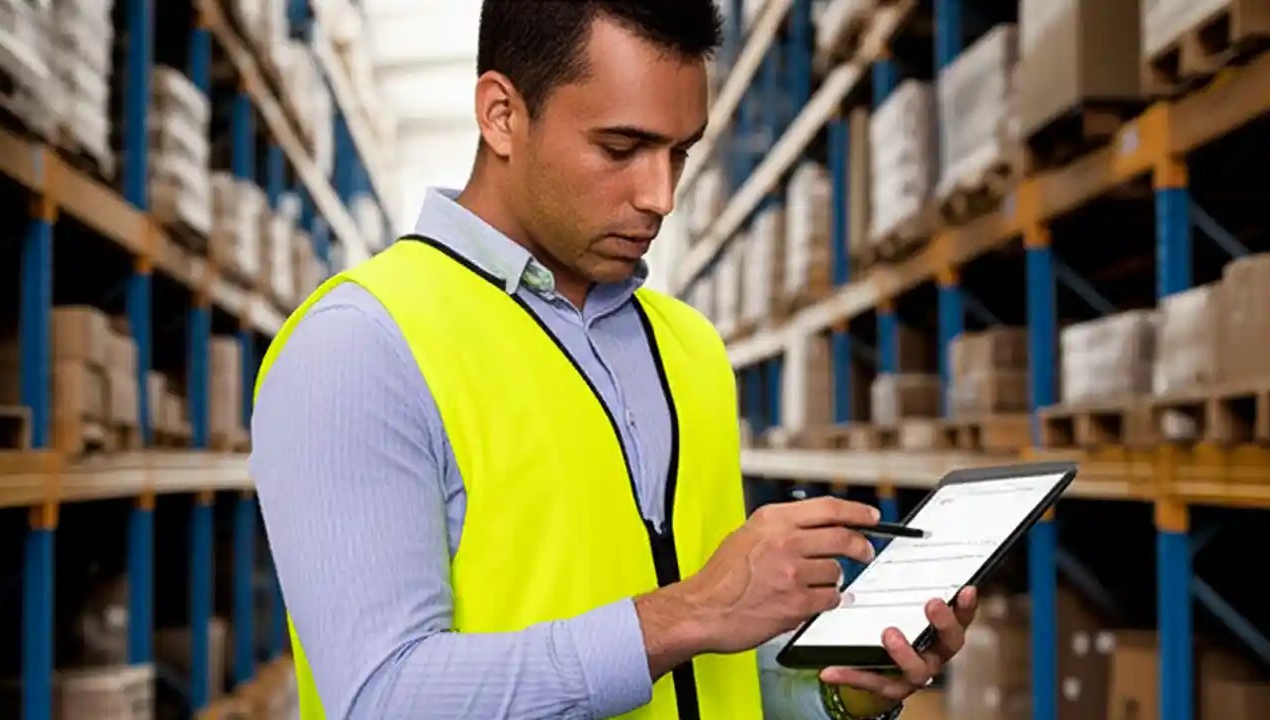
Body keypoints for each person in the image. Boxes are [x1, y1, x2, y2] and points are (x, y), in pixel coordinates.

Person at [249, 1, 978, 718]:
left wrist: (841, 688)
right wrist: (686, 612)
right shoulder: (360, 346)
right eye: (621, 148)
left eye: (681, 152)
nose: (660, 196)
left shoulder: (689, 348)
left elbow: (709, 673)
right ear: (501, 114)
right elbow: (380, 698)